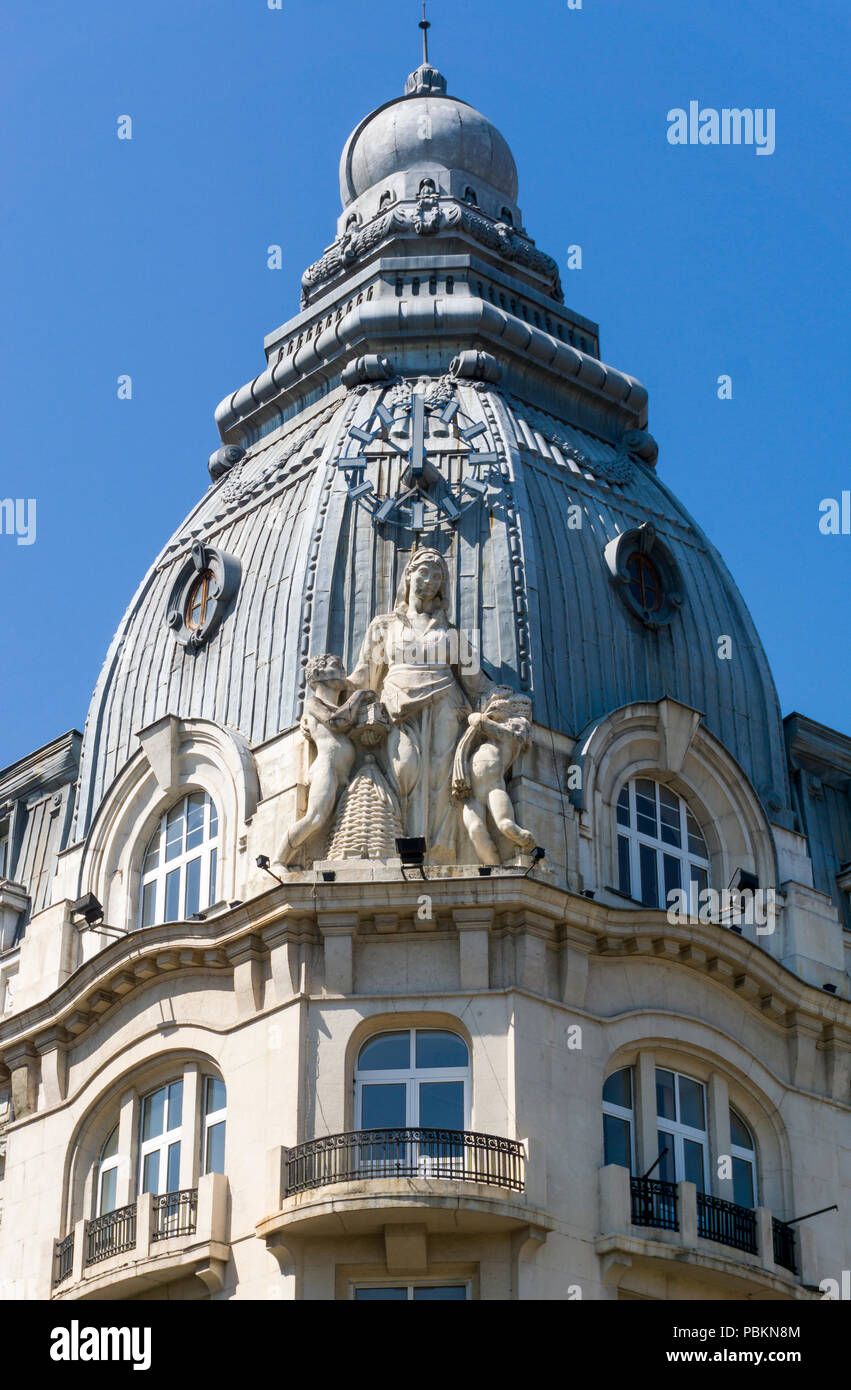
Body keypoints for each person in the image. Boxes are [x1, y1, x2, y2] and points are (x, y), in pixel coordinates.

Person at [348, 548, 491, 862]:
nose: (429, 581)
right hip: (398, 704)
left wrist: (504, 702)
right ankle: (399, 845)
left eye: (437, 576)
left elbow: (477, 684)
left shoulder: (450, 634)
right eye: (423, 573)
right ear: (408, 575)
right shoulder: (384, 627)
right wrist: (329, 692)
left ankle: (437, 852)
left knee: (441, 780)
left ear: (443, 586)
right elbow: (362, 679)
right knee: (403, 768)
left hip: (445, 705)